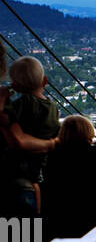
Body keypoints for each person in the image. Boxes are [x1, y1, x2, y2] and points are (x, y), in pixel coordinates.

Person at [0, 55, 60, 219]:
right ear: (45, 81)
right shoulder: (53, 108)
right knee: (27, 240)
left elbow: (4, 119)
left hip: (14, 171)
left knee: (12, 240)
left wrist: (3, 98)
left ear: (14, 85)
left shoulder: (20, 103)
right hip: (36, 168)